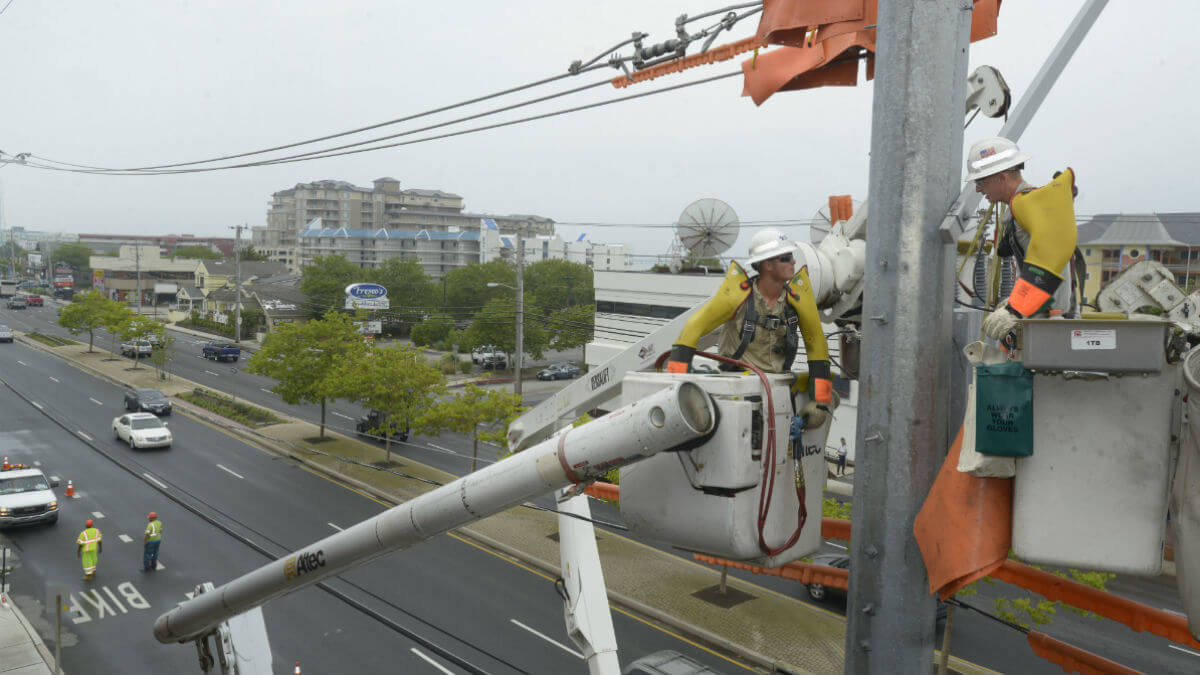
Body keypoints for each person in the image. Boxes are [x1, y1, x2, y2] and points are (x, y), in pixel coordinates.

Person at [665, 228, 833, 428]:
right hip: (738, 391)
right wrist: (675, 384)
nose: (793, 262)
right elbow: (693, 328)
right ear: (768, 264)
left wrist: (820, 403)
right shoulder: (738, 297)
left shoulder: (795, 301)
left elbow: (817, 344)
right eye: (786, 257)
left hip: (778, 391)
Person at [967, 136, 1082, 342]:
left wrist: (1017, 309)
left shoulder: (1028, 206)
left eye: (980, 181)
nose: (978, 189)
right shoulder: (1023, 207)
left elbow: (1051, 265)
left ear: (1002, 178)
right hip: (1043, 319)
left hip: (1053, 324)